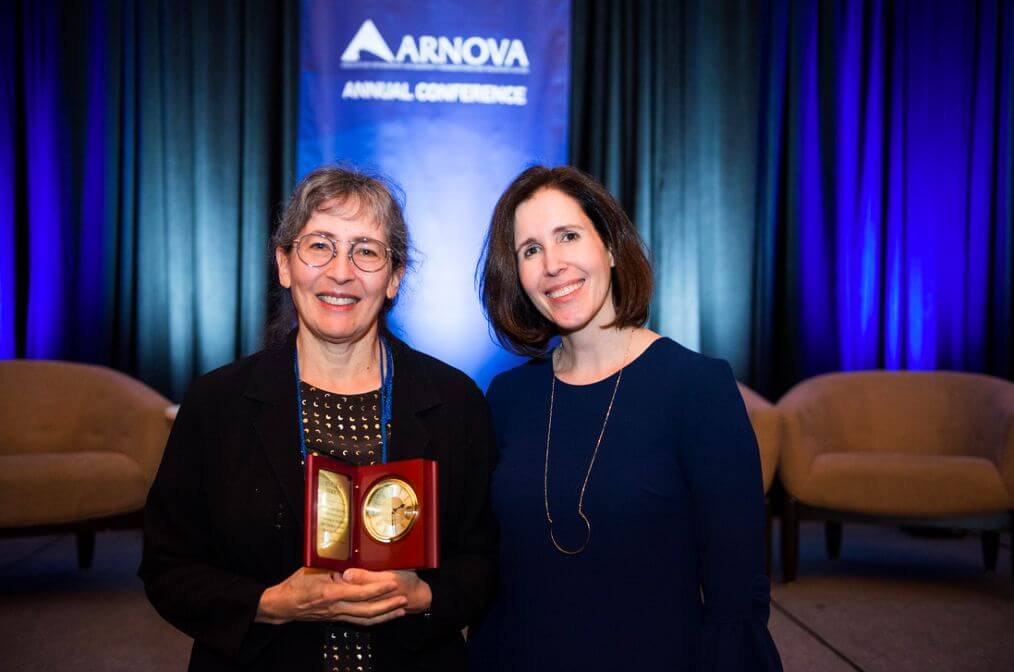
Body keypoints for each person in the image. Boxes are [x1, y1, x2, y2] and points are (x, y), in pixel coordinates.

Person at [141, 166, 498, 672]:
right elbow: (166, 567)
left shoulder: (454, 401)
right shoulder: (217, 402)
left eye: (366, 251)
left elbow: (483, 561)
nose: (341, 272)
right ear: (285, 264)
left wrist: (422, 597)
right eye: (320, 246)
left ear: (395, 277)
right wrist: (271, 604)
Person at [468, 165, 782, 670]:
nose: (552, 264)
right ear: (518, 276)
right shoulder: (509, 397)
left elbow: (734, 593)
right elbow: (493, 569)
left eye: (568, 236)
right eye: (530, 250)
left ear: (610, 247)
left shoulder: (697, 387)